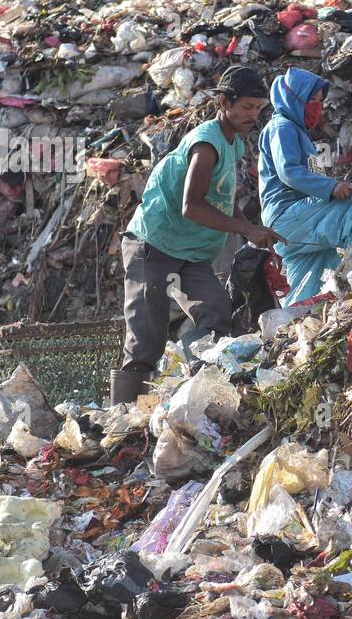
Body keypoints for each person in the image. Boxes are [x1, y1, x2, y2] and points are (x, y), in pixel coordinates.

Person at [112, 65, 281, 404]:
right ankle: (122, 417)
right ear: (223, 102)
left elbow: (220, 200)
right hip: (153, 244)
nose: (253, 115)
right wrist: (246, 228)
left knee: (216, 312)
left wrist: (252, 230)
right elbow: (192, 205)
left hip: (190, 253)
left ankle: (194, 388)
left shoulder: (231, 144)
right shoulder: (206, 144)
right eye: (246, 107)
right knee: (147, 336)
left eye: (258, 108)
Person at [258, 68, 352, 305]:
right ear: (294, 98)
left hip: (295, 230)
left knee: (314, 279)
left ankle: (293, 328)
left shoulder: (298, 132)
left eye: (320, 101)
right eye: (312, 100)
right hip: (287, 217)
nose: (316, 107)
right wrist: (331, 187)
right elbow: (288, 171)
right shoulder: (282, 127)